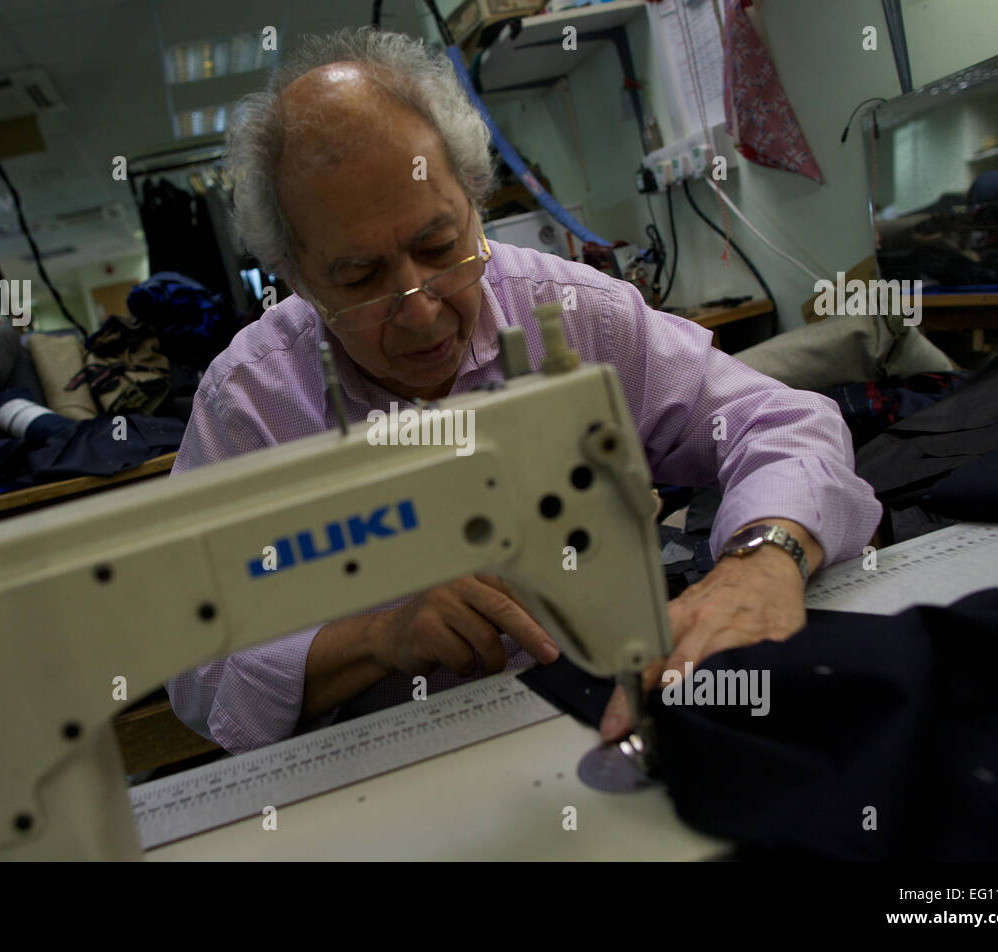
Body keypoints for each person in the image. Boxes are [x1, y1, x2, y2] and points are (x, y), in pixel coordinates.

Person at [166, 28, 881, 753]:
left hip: (590, 712)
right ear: (295, 276)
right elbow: (194, 666)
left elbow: (783, 423)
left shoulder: (572, 311)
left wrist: (762, 557)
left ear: (473, 198)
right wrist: (380, 638)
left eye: (440, 248)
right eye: (359, 278)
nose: (420, 309)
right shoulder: (250, 404)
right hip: (389, 762)